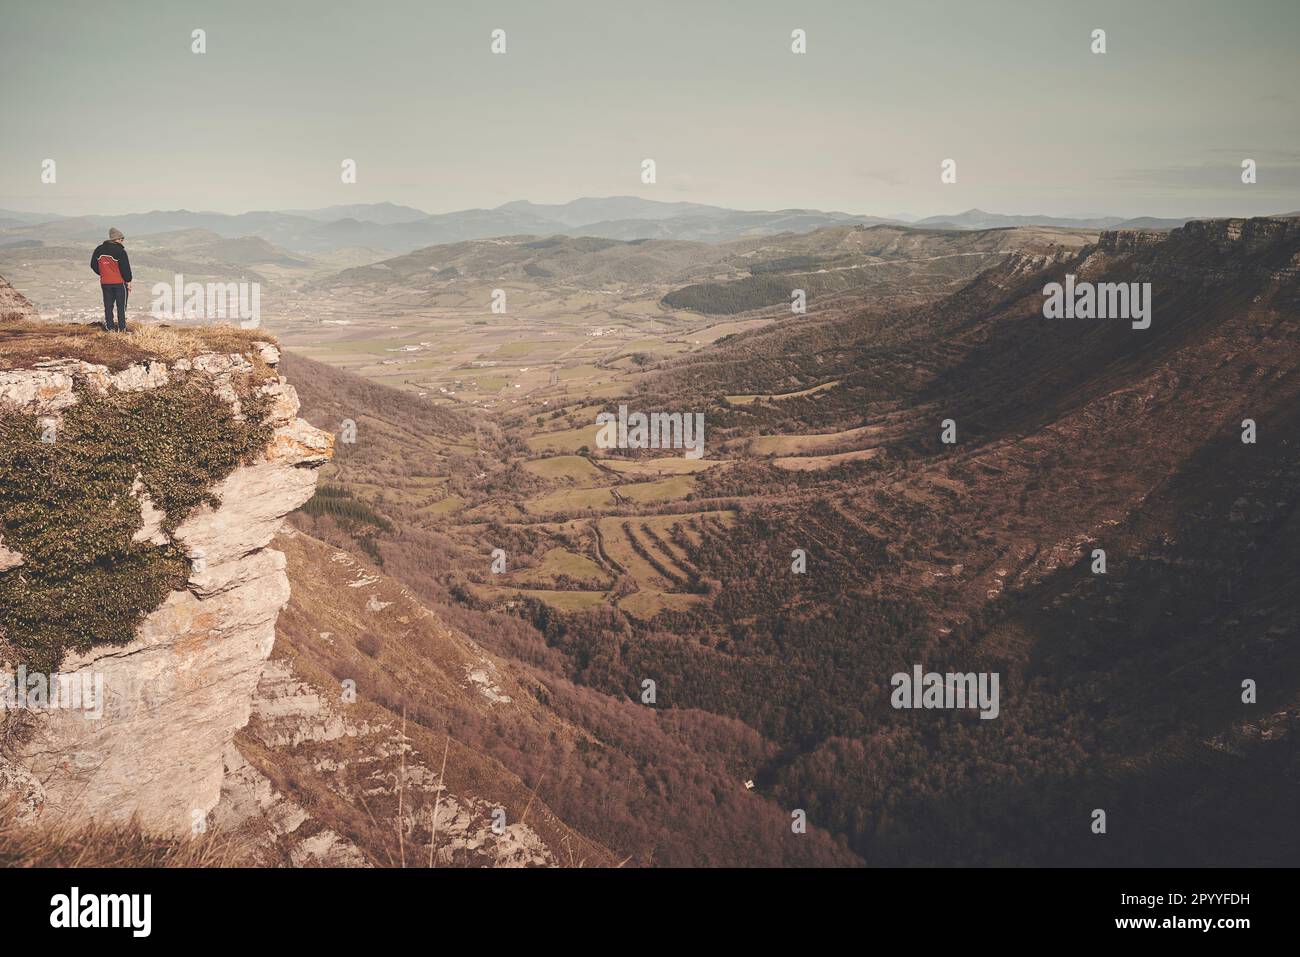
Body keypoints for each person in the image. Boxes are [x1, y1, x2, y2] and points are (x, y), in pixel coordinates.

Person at [90, 228, 132, 332]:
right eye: (121, 239)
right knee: (121, 306)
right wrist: (128, 281)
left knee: (108, 305)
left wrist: (103, 273)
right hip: (119, 282)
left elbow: (93, 265)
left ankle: (110, 328)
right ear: (117, 239)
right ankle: (122, 329)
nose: (122, 241)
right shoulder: (120, 251)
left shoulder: (99, 249)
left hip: (105, 282)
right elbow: (125, 268)